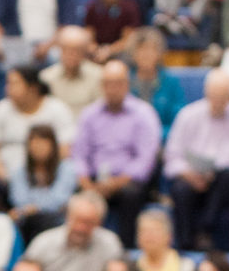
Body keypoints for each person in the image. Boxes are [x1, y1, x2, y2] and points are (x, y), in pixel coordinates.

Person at [68, 61, 160, 248]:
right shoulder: (89, 114)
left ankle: (125, 249)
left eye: (117, 83)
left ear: (127, 84)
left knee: (130, 195)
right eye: (108, 83)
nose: (112, 89)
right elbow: (79, 154)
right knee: (76, 196)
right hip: (94, 180)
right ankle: (78, 246)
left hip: (128, 180)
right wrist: (87, 184)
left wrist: (116, 183)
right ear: (101, 86)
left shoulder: (143, 114)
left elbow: (145, 160)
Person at [161, 68, 229, 253]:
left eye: (223, 97)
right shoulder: (188, 115)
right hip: (190, 175)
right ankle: (185, 243)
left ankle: (205, 231)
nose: (217, 101)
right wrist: (189, 174)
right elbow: (172, 156)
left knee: (226, 177)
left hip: (222, 180)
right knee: (180, 189)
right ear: (206, 93)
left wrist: (213, 174)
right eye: (214, 96)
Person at [0, 61, 73, 184]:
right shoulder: (1, 108)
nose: (8, 88)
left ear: (33, 88)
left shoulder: (57, 109)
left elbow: (65, 149)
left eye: (14, 83)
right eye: (7, 83)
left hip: (49, 179)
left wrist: (46, 178)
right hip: (5, 179)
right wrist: (5, 178)